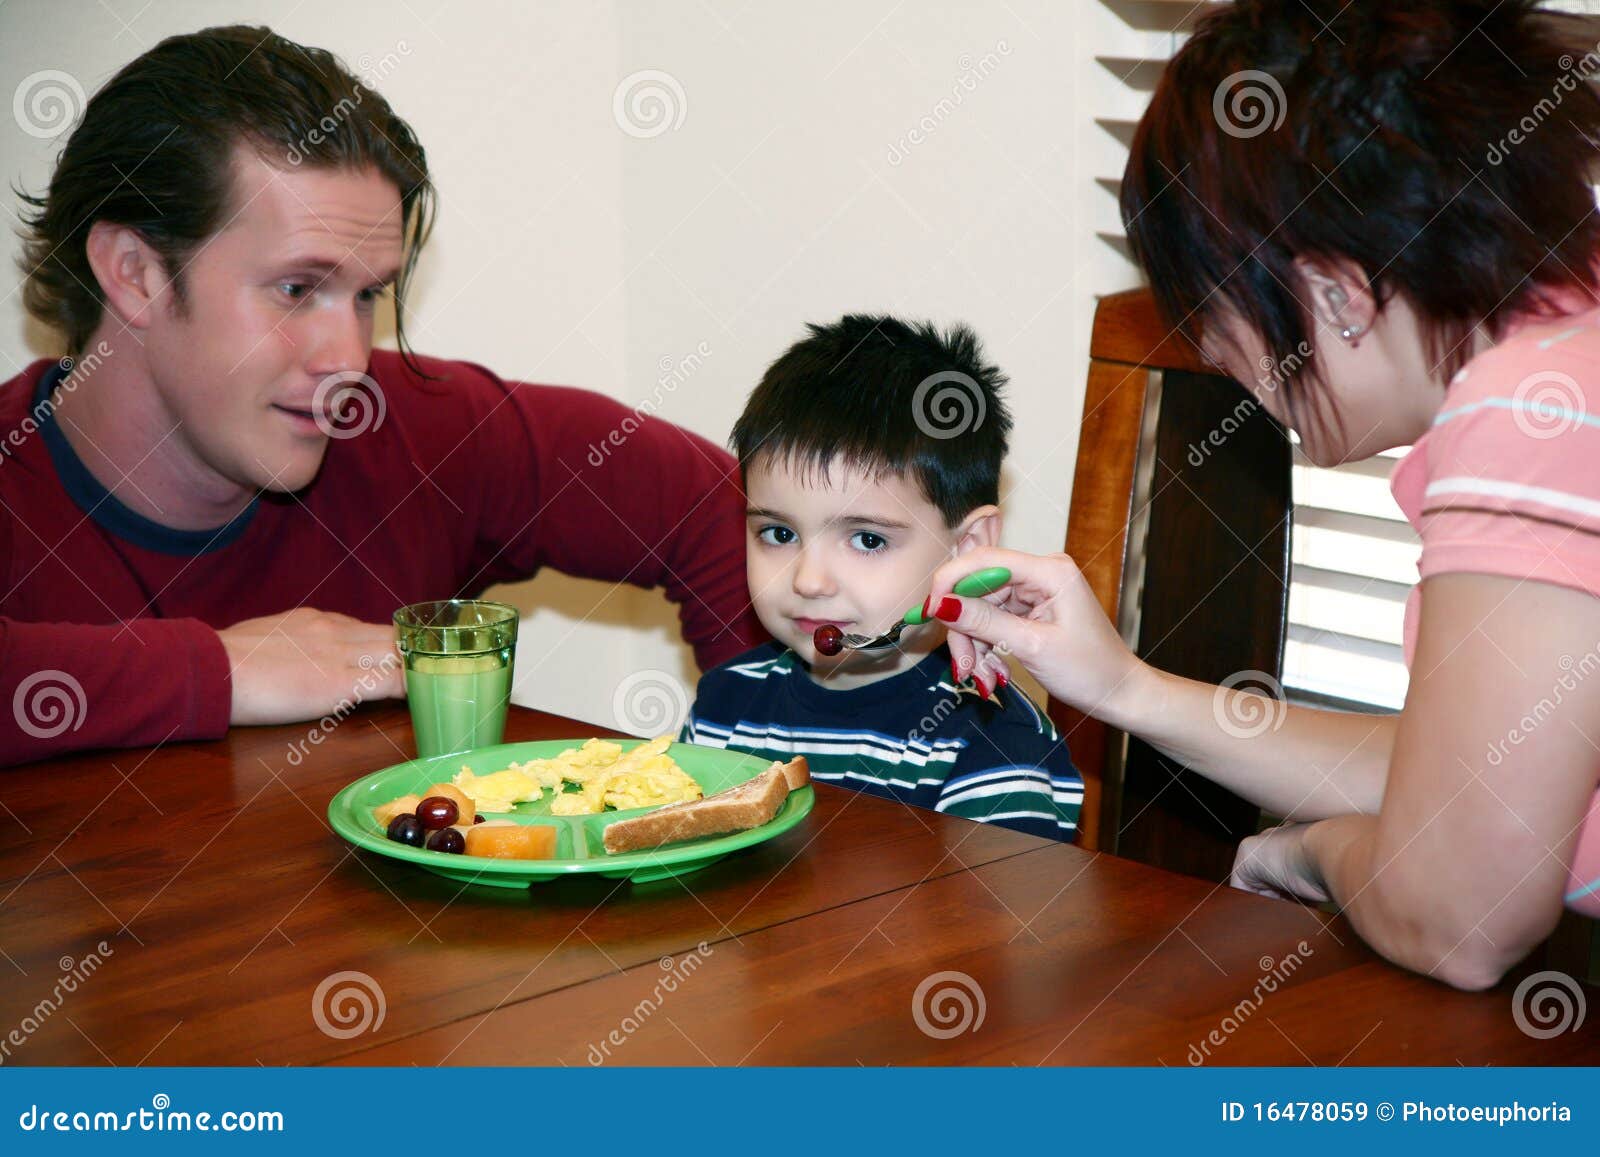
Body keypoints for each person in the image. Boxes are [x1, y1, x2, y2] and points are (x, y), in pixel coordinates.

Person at [927, 0, 1600, 989]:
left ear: (1333, 293)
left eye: (1212, 309)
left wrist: (1311, 852)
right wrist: (1122, 686)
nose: (1209, 351)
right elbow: (1468, 785)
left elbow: (1457, 917)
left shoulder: (1531, 415)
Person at [0, 26, 762, 766]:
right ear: (135, 272)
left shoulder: (412, 429)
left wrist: (767, 763)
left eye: (368, 296)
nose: (347, 360)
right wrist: (218, 672)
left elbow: (710, 504)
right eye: (297, 289)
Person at [680, 315, 1083, 841]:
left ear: (967, 548)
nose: (809, 581)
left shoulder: (993, 742)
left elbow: (998, 899)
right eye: (779, 534)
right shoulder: (724, 705)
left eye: (868, 540)